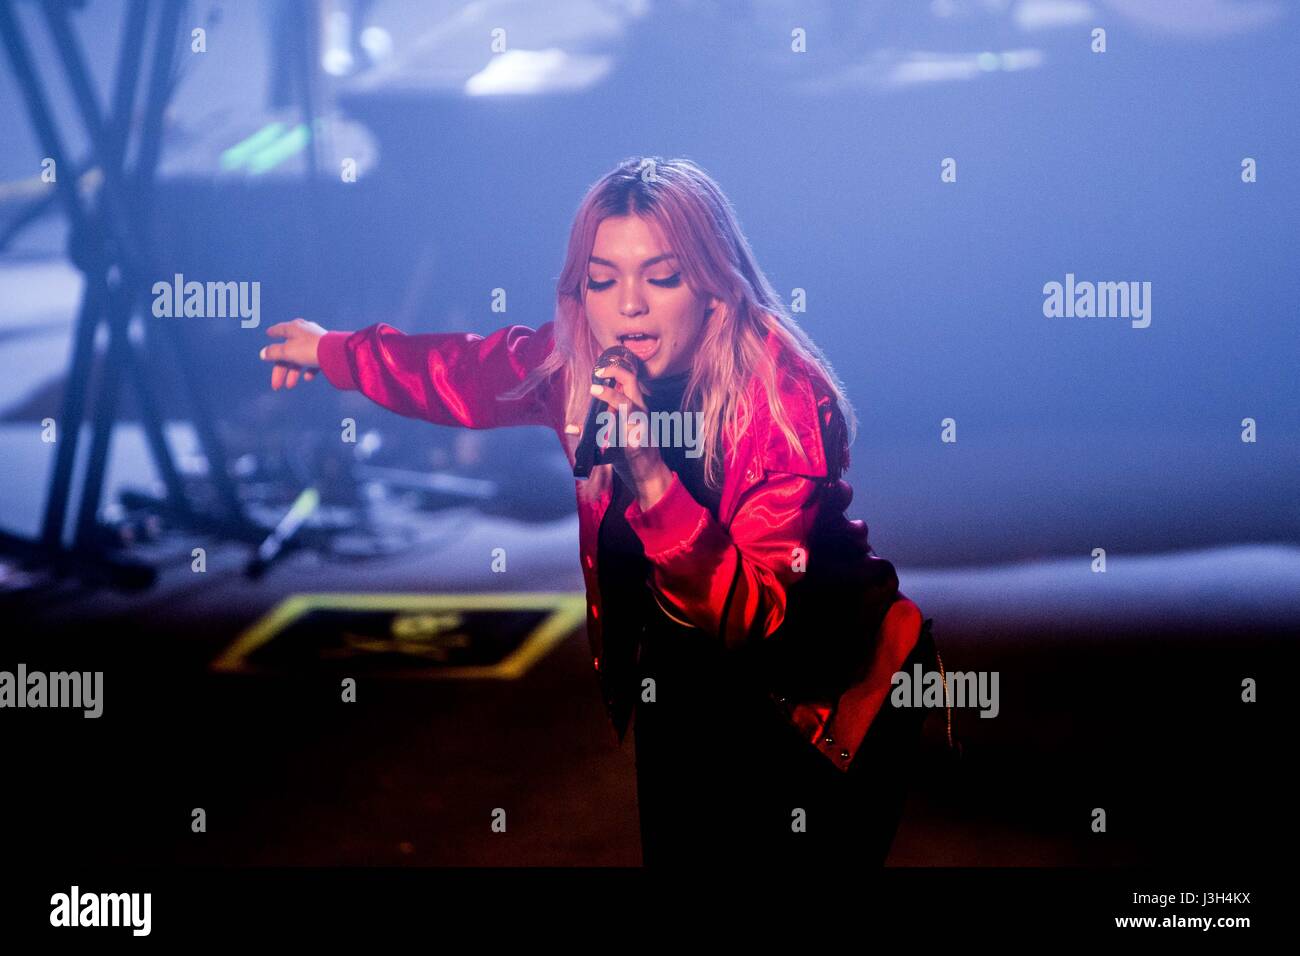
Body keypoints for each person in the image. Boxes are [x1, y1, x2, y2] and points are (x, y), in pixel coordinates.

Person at [258, 156, 939, 867]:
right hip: (689, 685)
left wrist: (649, 476)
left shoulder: (779, 401)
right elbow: (465, 371)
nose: (629, 305)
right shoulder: (585, 367)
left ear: (713, 286)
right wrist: (333, 352)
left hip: (820, 697)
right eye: (603, 280)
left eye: (662, 276)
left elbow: (756, 614)